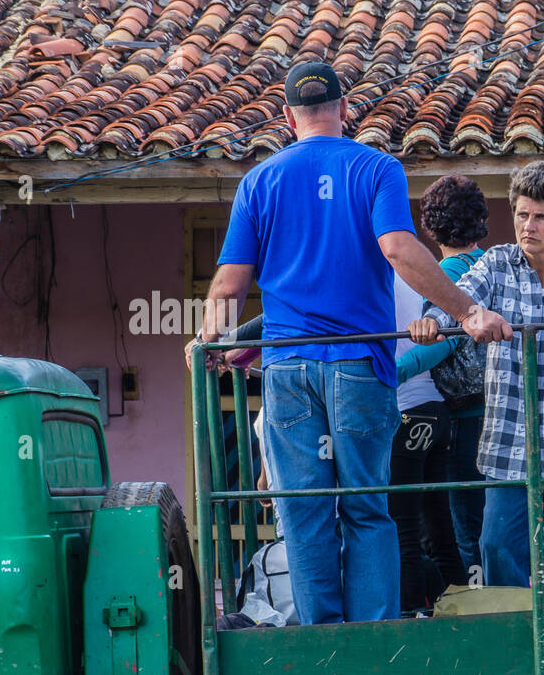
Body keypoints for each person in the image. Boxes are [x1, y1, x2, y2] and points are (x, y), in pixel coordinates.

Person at [187, 60, 491, 625]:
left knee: (304, 513)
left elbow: (229, 284)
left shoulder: (260, 180)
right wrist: (468, 312)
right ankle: (373, 642)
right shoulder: (377, 167)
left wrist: (208, 342)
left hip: (287, 369)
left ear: (287, 117)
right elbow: (399, 248)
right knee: (367, 509)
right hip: (358, 365)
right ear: (344, 110)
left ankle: (319, 643)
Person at [409, 162, 544, 602]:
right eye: (522, 215)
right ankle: (515, 640)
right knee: (496, 544)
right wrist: (431, 321)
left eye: (541, 216)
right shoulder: (495, 263)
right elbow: (459, 299)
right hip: (513, 434)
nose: (528, 225)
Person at [414, 173, 490, 578]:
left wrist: (389, 373)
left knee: (466, 527)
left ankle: (481, 617)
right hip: (504, 410)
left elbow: (442, 342)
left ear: (432, 225)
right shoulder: (495, 266)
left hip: (463, 417)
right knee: (497, 521)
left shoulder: (441, 275)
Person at [388, 278, 467, 613]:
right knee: (440, 528)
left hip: (404, 408)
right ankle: (463, 614)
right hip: (435, 409)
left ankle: (407, 619)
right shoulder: (412, 275)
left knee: (402, 527)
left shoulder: (373, 270)